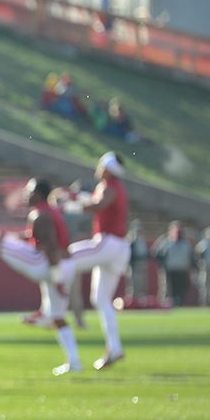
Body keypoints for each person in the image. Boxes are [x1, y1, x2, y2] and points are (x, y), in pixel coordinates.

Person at [0, 179, 83, 374]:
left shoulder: (40, 214)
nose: (25, 194)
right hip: (61, 263)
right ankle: (74, 361)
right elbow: (38, 238)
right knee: (58, 318)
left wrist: (57, 280)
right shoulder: (47, 211)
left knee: (2, 246)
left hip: (56, 264)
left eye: (29, 190)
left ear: (38, 194)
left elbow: (50, 246)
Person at [63, 152, 131, 369]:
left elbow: (100, 204)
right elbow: (97, 202)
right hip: (117, 246)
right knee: (101, 299)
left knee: (66, 255)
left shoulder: (110, 186)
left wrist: (71, 206)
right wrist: (79, 198)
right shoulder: (113, 185)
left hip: (108, 242)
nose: (99, 167)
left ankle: (51, 309)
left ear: (108, 168)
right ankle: (115, 348)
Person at [151, 220, 194, 307]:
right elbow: (156, 253)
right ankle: (165, 305)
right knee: (169, 289)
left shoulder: (186, 244)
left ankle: (179, 303)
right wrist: (162, 265)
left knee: (182, 288)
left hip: (182, 270)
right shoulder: (166, 242)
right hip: (170, 270)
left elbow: (192, 257)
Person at [125, 219, 150, 304]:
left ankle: (141, 302)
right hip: (134, 265)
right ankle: (133, 302)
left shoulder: (142, 240)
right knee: (134, 284)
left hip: (142, 265)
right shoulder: (131, 241)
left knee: (142, 284)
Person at [196, 227, 210, 307]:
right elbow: (197, 256)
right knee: (204, 285)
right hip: (205, 267)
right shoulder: (203, 244)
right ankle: (204, 302)